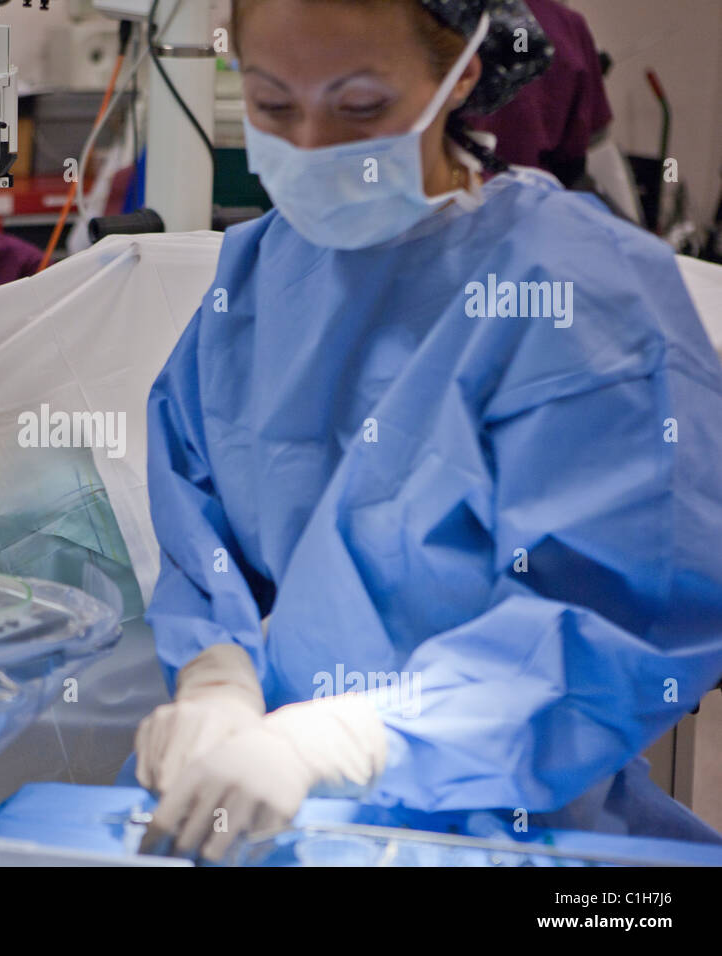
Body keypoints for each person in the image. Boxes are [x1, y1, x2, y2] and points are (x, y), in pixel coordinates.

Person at [136, 0, 722, 862]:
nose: (309, 143)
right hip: (269, 811)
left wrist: (347, 743)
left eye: (361, 107)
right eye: (270, 105)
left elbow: (621, 625)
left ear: (462, 79)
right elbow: (202, 523)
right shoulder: (260, 276)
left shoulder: (574, 293)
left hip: (520, 817)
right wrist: (216, 676)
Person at [468, 0, 612, 187]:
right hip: (538, 193)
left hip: (457, 190)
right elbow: (589, 135)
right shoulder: (566, 25)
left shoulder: (442, 16)